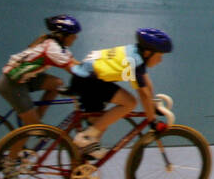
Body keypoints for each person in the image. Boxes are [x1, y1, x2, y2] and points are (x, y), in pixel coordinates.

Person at [0, 15, 81, 179]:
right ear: (62, 35)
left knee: (56, 84)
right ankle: (9, 164)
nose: (75, 38)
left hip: (23, 78)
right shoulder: (53, 50)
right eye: (73, 35)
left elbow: (77, 64)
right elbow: (77, 72)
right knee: (30, 127)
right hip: (12, 84)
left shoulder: (56, 45)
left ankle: (36, 124)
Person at [69, 28, 172, 159]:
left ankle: (78, 171)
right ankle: (85, 137)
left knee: (99, 126)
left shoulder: (136, 53)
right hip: (88, 81)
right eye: (160, 55)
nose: (160, 60)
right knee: (129, 102)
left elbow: (147, 84)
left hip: (86, 78)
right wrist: (152, 121)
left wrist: (154, 104)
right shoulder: (134, 62)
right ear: (148, 53)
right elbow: (143, 94)